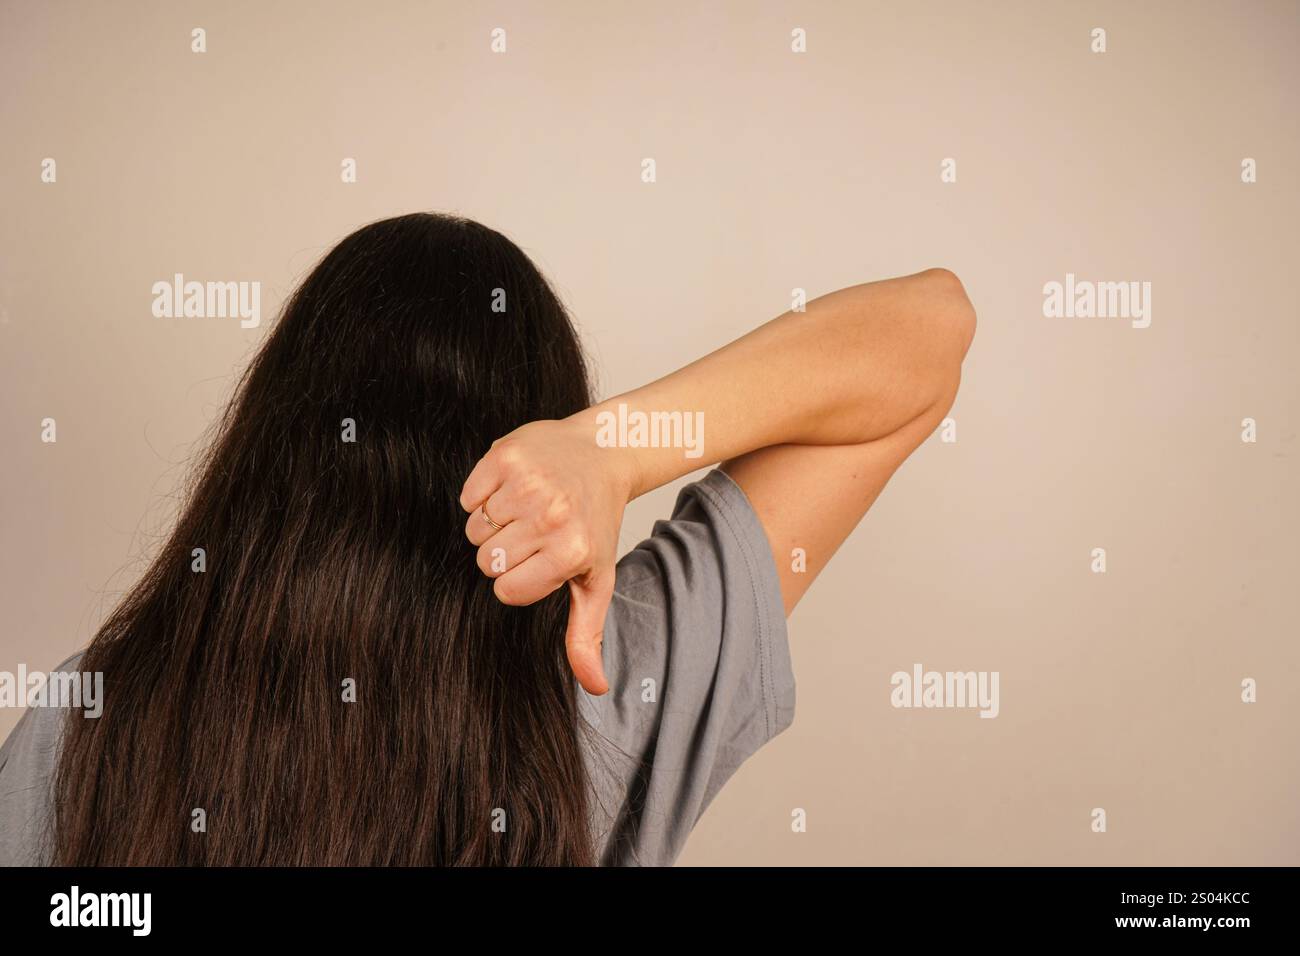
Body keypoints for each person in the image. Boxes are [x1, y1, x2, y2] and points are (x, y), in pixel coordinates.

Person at [0, 212, 975, 866]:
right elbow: (930, 329)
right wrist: (616, 448)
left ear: (271, 437)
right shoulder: (605, 681)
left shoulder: (82, 728)